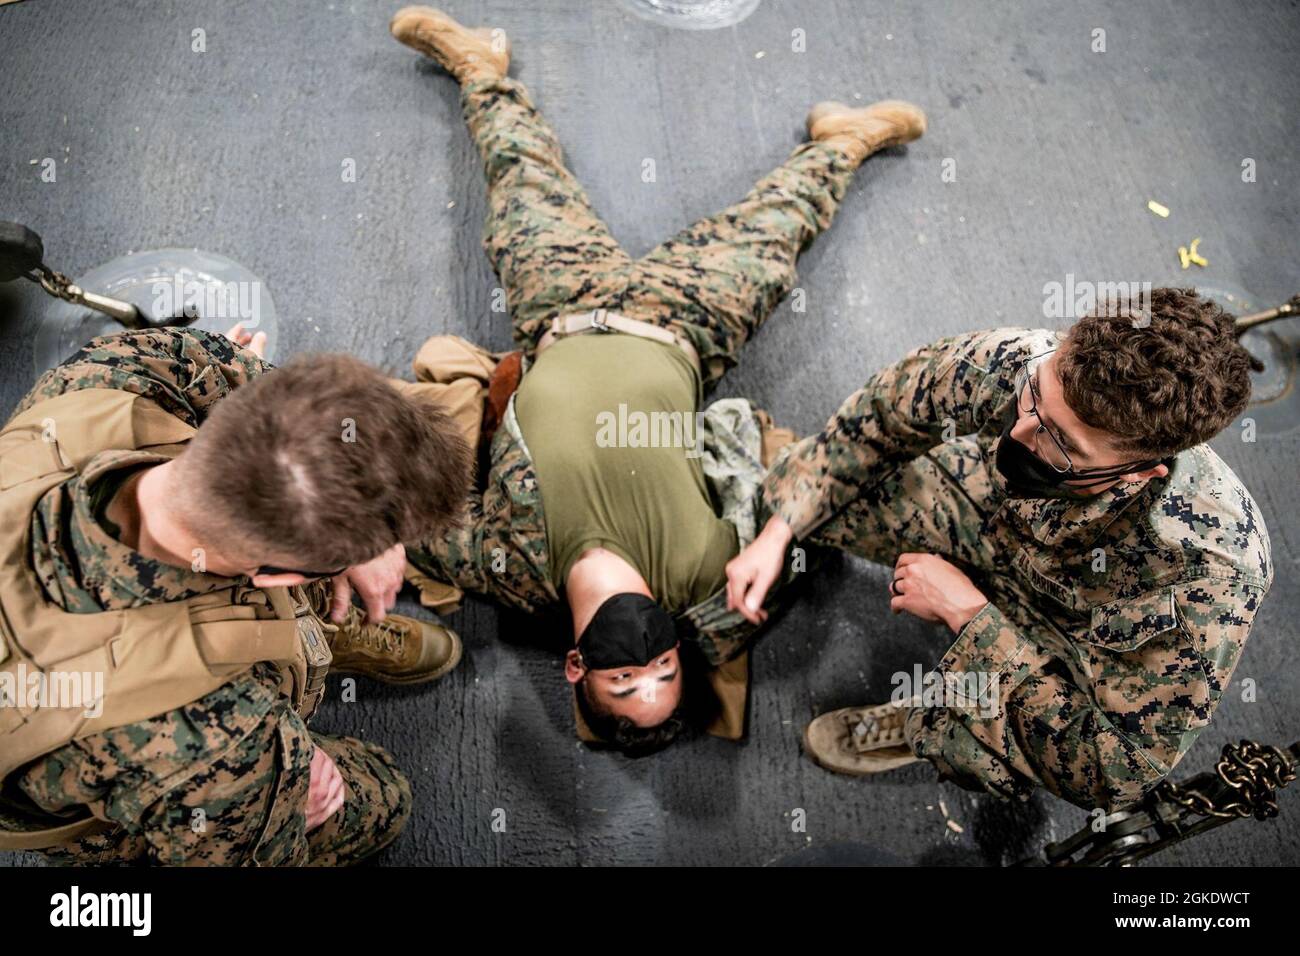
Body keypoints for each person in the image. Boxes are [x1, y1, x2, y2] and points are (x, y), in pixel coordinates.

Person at [389, 7, 926, 754]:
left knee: (520, 178)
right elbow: (811, 520)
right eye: (664, 667)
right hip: (682, 325)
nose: (643, 661)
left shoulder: (508, 568)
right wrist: (725, 620)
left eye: (623, 681)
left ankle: (481, 67)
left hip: (560, 311)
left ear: (577, 668)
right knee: (775, 230)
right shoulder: (712, 579)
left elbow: (391, 521)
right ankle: (844, 138)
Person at [725, 289, 1271, 812]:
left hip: (1071, 631)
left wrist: (968, 615)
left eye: (1060, 442)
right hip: (993, 517)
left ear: (1140, 472)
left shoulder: (1211, 575)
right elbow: (878, 421)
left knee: (979, 745)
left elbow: (1114, 771)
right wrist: (779, 532)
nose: (1021, 430)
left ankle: (928, 715)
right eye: (1034, 395)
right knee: (811, 494)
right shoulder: (1022, 360)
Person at [0, 323, 472, 864]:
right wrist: (283, 787)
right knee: (383, 795)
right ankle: (299, 652)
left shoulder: (113, 371)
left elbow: (259, 389)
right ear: (275, 576)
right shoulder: (214, 743)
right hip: (107, 790)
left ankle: (303, 632)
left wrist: (355, 537)